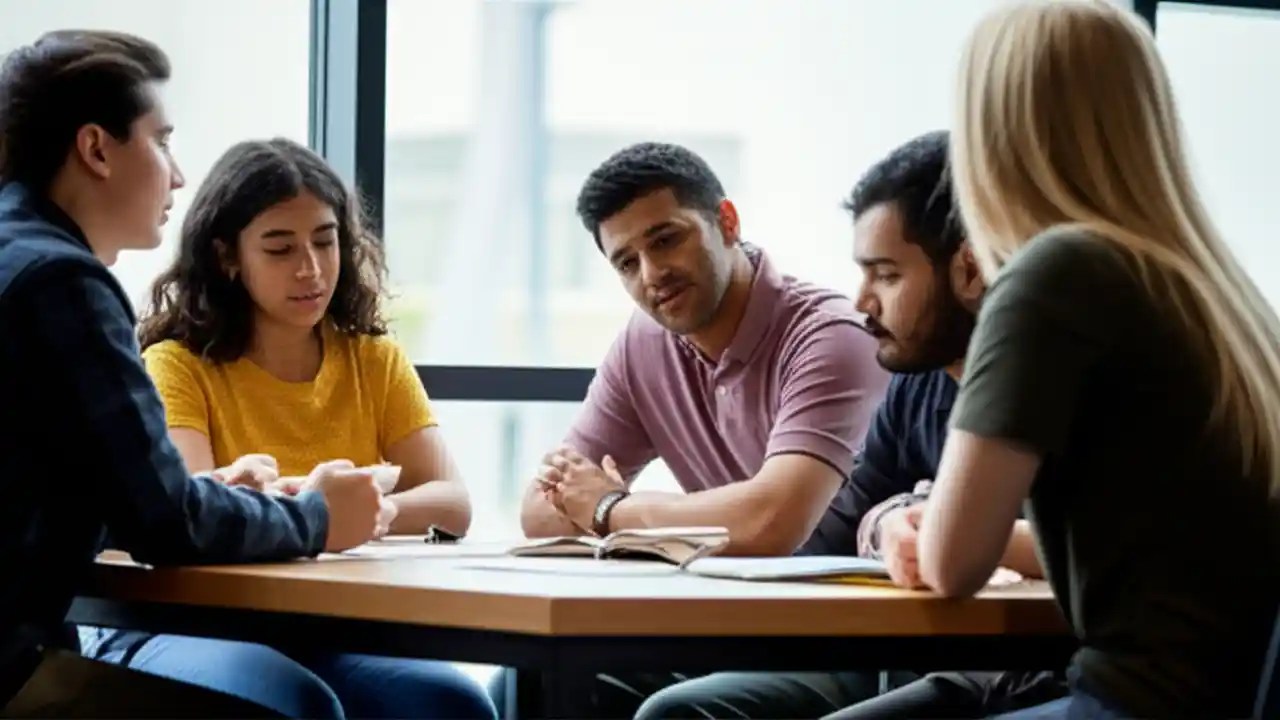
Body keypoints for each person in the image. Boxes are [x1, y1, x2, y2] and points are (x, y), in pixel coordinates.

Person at [0, 30, 387, 718]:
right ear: (96, 149)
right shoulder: (61, 281)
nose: (177, 175)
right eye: (163, 140)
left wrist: (189, 492)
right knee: (294, 710)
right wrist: (316, 518)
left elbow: (85, 497)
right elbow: (166, 524)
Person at [916, 1, 1280, 717]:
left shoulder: (1058, 274)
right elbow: (1157, 546)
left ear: (992, 134)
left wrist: (920, 529)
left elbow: (950, 564)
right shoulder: (1219, 291)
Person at [637, 132, 1060, 720]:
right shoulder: (916, 382)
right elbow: (848, 524)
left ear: (969, 269)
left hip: (1031, 670)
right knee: (678, 710)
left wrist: (937, 525)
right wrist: (894, 520)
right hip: (914, 655)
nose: (862, 301)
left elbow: (1081, 548)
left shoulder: (1050, 377)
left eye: (886, 276)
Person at [73, 138, 494, 720]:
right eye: (279, 248)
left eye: (325, 241)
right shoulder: (179, 363)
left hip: (323, 625)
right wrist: (322, 509)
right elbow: (193, 517)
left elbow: (452, 502)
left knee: (451, 702)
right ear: (228, 258)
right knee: (294, 700)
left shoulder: (373, 359)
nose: (311, 268)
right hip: (183, 621)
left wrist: (360, 512)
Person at [509, 142, 890, 718]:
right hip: (719, 624)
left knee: (678, 713)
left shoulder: (830, 334)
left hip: (853, 641)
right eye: (626, 263)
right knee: (535, 683)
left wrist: (612, 509)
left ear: (727, 222)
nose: (652, 274)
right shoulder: (644, 343)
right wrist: (614, 508)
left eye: (666, 240)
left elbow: (769, 524)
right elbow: (541, 512)